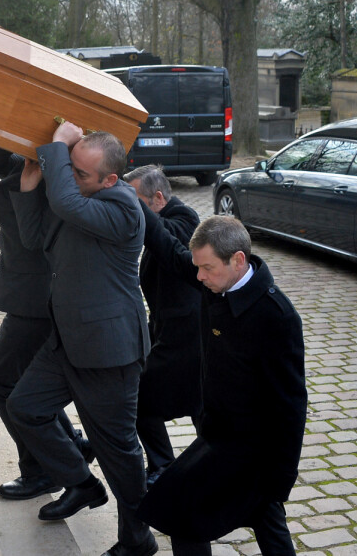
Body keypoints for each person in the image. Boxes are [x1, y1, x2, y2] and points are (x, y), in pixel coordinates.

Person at [7, 123, 157, 556]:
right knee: (25, 408)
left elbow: (65, 200)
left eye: (79, 173)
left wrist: (55, 147)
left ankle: (137, 537)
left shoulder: (122, 207)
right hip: (67, 340)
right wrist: (27, 185)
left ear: (110, 179)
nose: (69, 177)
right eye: (69, 168)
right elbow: (35, 237)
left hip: (109, 351)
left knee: (121, 453)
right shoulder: (77, 198)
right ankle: (81, 483)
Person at [137, 215, 306, 555]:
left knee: (184, 513)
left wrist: (281, 476)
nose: (199, 276)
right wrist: (130, 202)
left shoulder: (277, 317)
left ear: (238, 260)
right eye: (198, 267)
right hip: (217, 435)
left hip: (250, 453)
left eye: (207, 268)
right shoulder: (215, 280)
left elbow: (290, 405)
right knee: (258, 519)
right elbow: (171, 253)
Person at [0, 138, 94, 501]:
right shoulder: (48, 170)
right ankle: (69, 446)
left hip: (35, 304)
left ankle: (42, 469)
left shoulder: (40, 183)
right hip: (39, 300)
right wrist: (2, 132)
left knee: (3, 383)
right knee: (27, 386)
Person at [123, 165, 202, 485]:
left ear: (157, 197)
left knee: (141, 398)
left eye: (135, 200)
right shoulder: (167, 217)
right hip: (168, 332)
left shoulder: (187, 220)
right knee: (199, 407)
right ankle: (167, 467)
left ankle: (164, 468)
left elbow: (166, 240)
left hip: (188, 336)